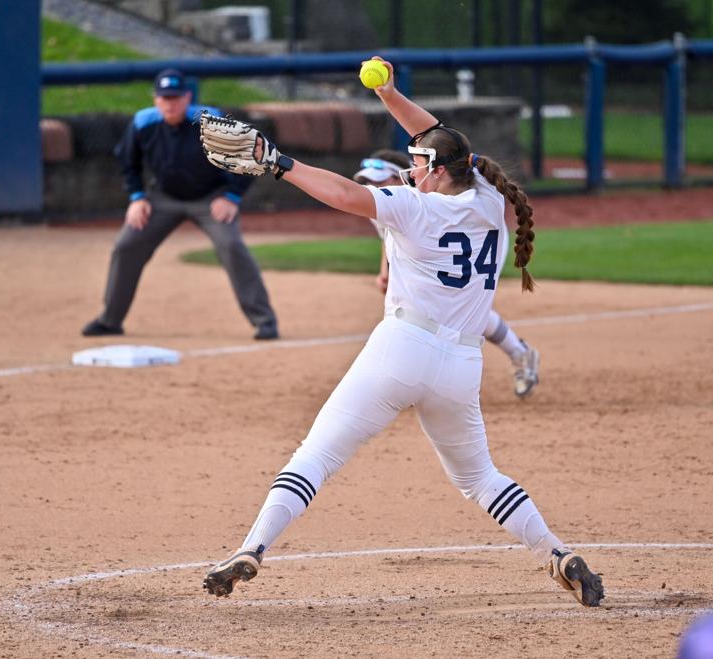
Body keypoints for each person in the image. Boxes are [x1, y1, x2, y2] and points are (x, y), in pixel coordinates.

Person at [197, 57, 604, 608]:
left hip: (400, 350)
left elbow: (344, 195)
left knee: (314, 457)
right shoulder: (488, 198)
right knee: (481, 478)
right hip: (460, 366)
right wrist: (389, 94)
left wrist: (276, 161)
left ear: (436, 171)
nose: (409, 170)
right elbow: (438, 138)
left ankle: (253, 547)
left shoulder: (414, 208)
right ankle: (556, 553)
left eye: (416, 164)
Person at [81, 69, 279, 340]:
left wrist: (232, 197)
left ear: (188, 97)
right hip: (164, 198)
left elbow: (253, 157)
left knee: (231, 246)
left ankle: (265, 322)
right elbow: (127, 161)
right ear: (155, 99)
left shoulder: (209, 121)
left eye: (175, 97)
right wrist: (137, 197)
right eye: (164, 98)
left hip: (211, 199)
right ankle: (110, 320)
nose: (169, 103)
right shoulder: (143, 123)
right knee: (126, 246)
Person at [354, 150, 541, 399]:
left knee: (463, 305)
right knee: (441, 307)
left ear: (403, 178)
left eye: (379, 180)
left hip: (477, 235)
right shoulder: (384, 200)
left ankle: (519, 353)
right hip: (444, 245)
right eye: (367, 181)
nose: (371, 186)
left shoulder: (423, 199)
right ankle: (417, 376)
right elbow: (390, 236)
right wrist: (385, 271)